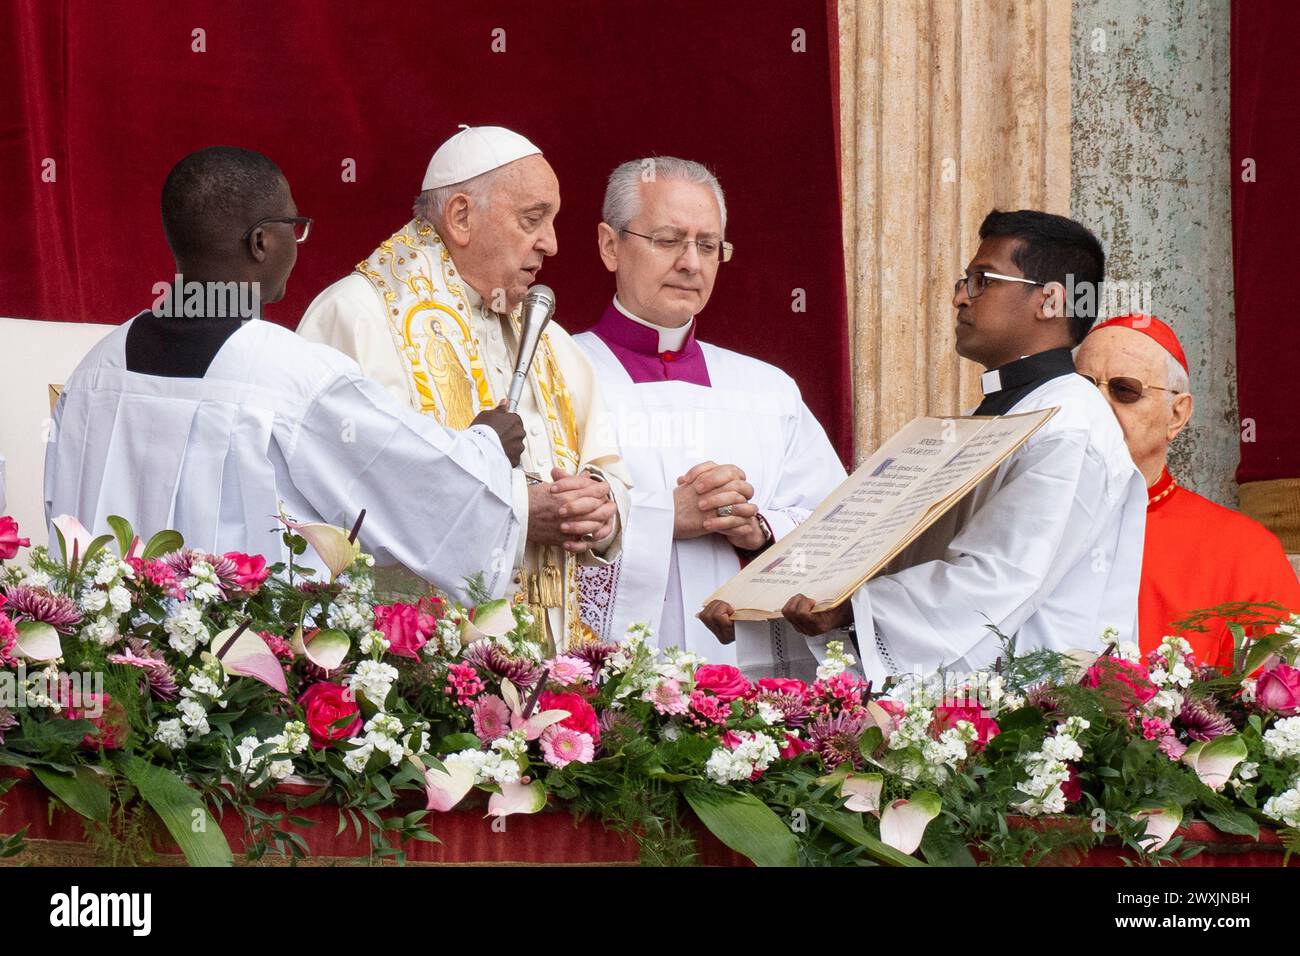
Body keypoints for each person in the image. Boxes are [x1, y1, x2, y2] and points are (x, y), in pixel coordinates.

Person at [45, 146, 525, 601]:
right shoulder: (289, 375)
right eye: (293, 228)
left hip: (116, 668)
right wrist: (484, 444)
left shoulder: (96, 369)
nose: (296, 245)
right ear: (261, 241)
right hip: (247, 669)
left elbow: (62, 517)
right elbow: (411, 486)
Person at [706, 209, 1148, 684]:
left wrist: (851, 609)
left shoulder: (1069, 427)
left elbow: (998, 579)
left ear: (1050, 301)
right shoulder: (1012, 410)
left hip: (1034, 712)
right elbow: (896, 549)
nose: (960, 296)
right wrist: (768, 594)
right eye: (965, 279)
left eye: (982, 280)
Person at [298, 126, 631, 652]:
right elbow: (348, 497)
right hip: (416, 670)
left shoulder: (550, 339)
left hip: (549, 663)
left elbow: (609, 472)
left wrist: (600, 509)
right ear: (459, 216)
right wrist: (518, 509)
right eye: (532, 219)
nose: (552, 243)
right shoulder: (357, 316)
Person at [572, 157, 846, 666]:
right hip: (607, 687)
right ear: (611, 246)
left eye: (707, 245)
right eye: (668, 239)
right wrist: (663, 518)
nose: (691, 263)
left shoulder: (768, 389)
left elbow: (836, 526)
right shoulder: (557, 373)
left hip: (751, 687)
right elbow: (526, 527)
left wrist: (760, 530)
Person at [1075, 313, 1300, 667]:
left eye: (1124, 391)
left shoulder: (1245, 552)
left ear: (1177, 414)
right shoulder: (1019, 521)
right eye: (1084, 389)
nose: (1097, 407)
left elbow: (1279, 700)